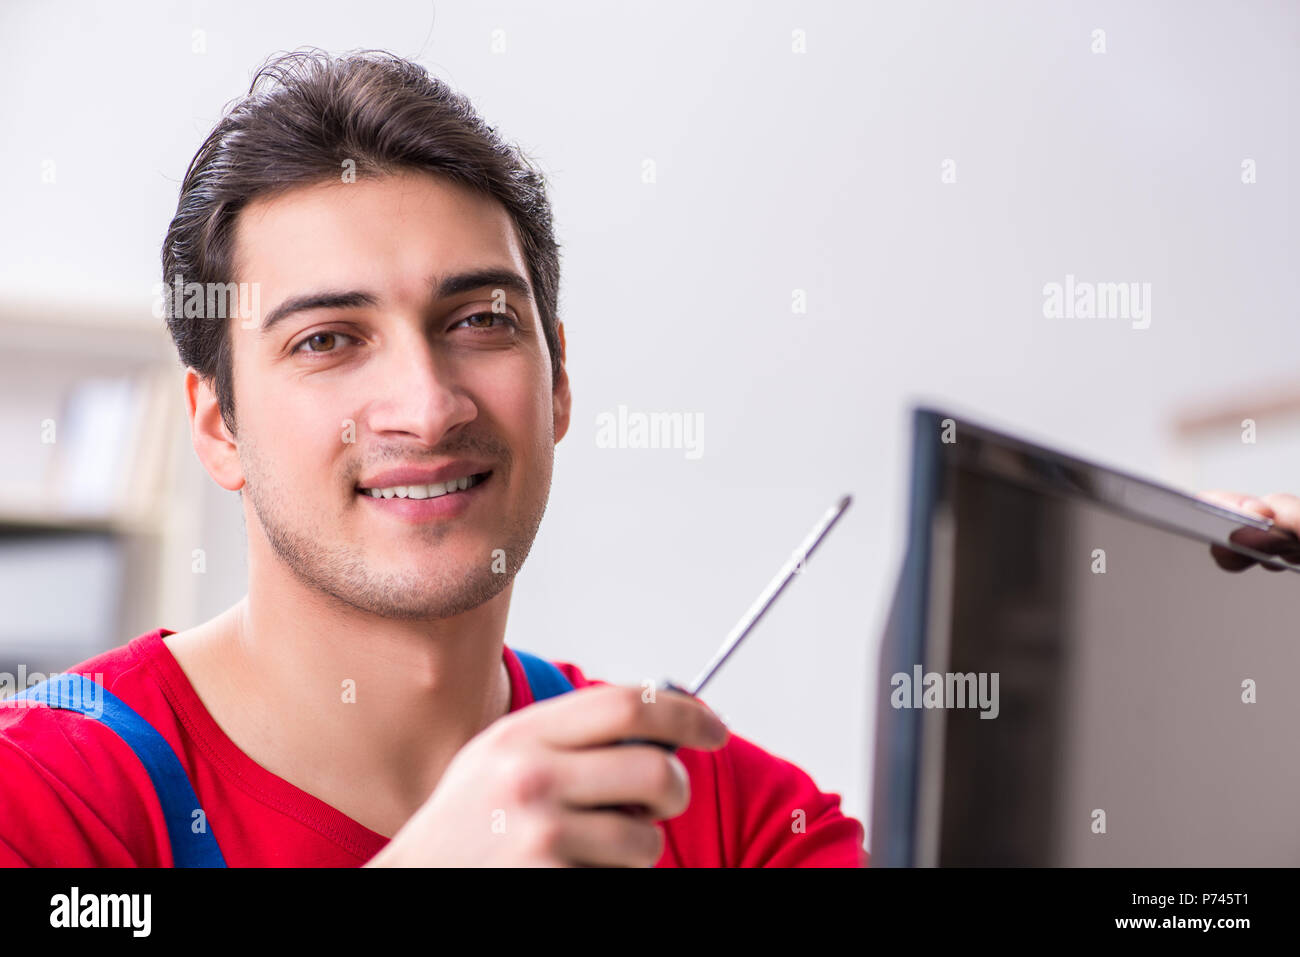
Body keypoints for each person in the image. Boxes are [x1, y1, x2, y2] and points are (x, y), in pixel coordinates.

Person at [0, 49, 867, 868]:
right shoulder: (40, 798)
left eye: (481, 320)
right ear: (220, 427)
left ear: (559, 381)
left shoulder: (726, 814)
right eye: (327, 339)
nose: (427, 407)